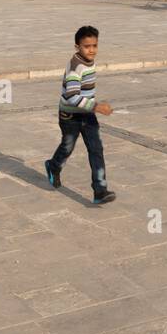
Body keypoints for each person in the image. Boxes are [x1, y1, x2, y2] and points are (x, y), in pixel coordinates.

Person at [44, 25, 116, 204]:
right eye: (87, 46)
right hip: (70, 116)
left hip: (87, 113)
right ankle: (53, 166)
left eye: (95, 46)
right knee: (67, 146)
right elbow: (72, 96)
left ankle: (100, 190)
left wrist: (92, 108)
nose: (91, 50)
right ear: (77, 47)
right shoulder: (76, 67)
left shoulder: (89, 61)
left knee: (96, 149)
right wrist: (97, 106)